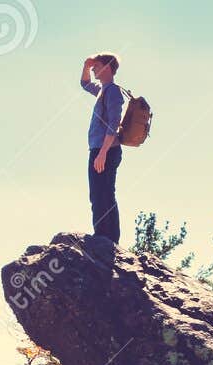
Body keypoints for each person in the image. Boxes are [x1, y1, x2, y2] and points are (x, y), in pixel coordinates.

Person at [79, 52, 124, 244]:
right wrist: (85, 65)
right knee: (99, 193)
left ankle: (107, 239)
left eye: (96, 66)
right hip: (100, 149)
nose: (93, 69)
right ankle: (105, 237)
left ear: (107, 67)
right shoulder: (102, 89)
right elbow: (84, 83)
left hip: (105, 150)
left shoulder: (113, 91)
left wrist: (103, 153)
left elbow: (114, 123)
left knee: (103, 193)